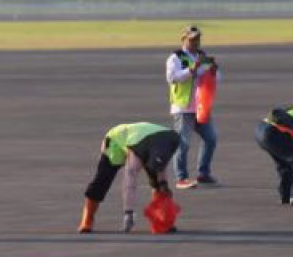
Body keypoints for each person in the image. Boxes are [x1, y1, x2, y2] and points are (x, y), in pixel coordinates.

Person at [77, 122, 181, 233]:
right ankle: (87, 220)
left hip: (152, 136)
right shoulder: (138, 153)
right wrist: (129, 213)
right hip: (116, 140)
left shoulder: (172, 140)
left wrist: (163, 184)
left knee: (159, 184)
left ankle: (163, 220)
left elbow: (160, 168)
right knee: (102, 181)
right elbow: (130, 179)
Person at [166, 25, 219, 189]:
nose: (196, 42)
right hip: (183, 107)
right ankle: (181, 178)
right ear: (184, 39)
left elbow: (216, 78)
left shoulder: (203, 56)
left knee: (211, 138)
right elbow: (172, 78)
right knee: (183, 143)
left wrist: (214, 72)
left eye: (198, 39)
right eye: (192, 39)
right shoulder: (176, 57)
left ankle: (203, 173)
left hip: (201, 107)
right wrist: (191, 70)